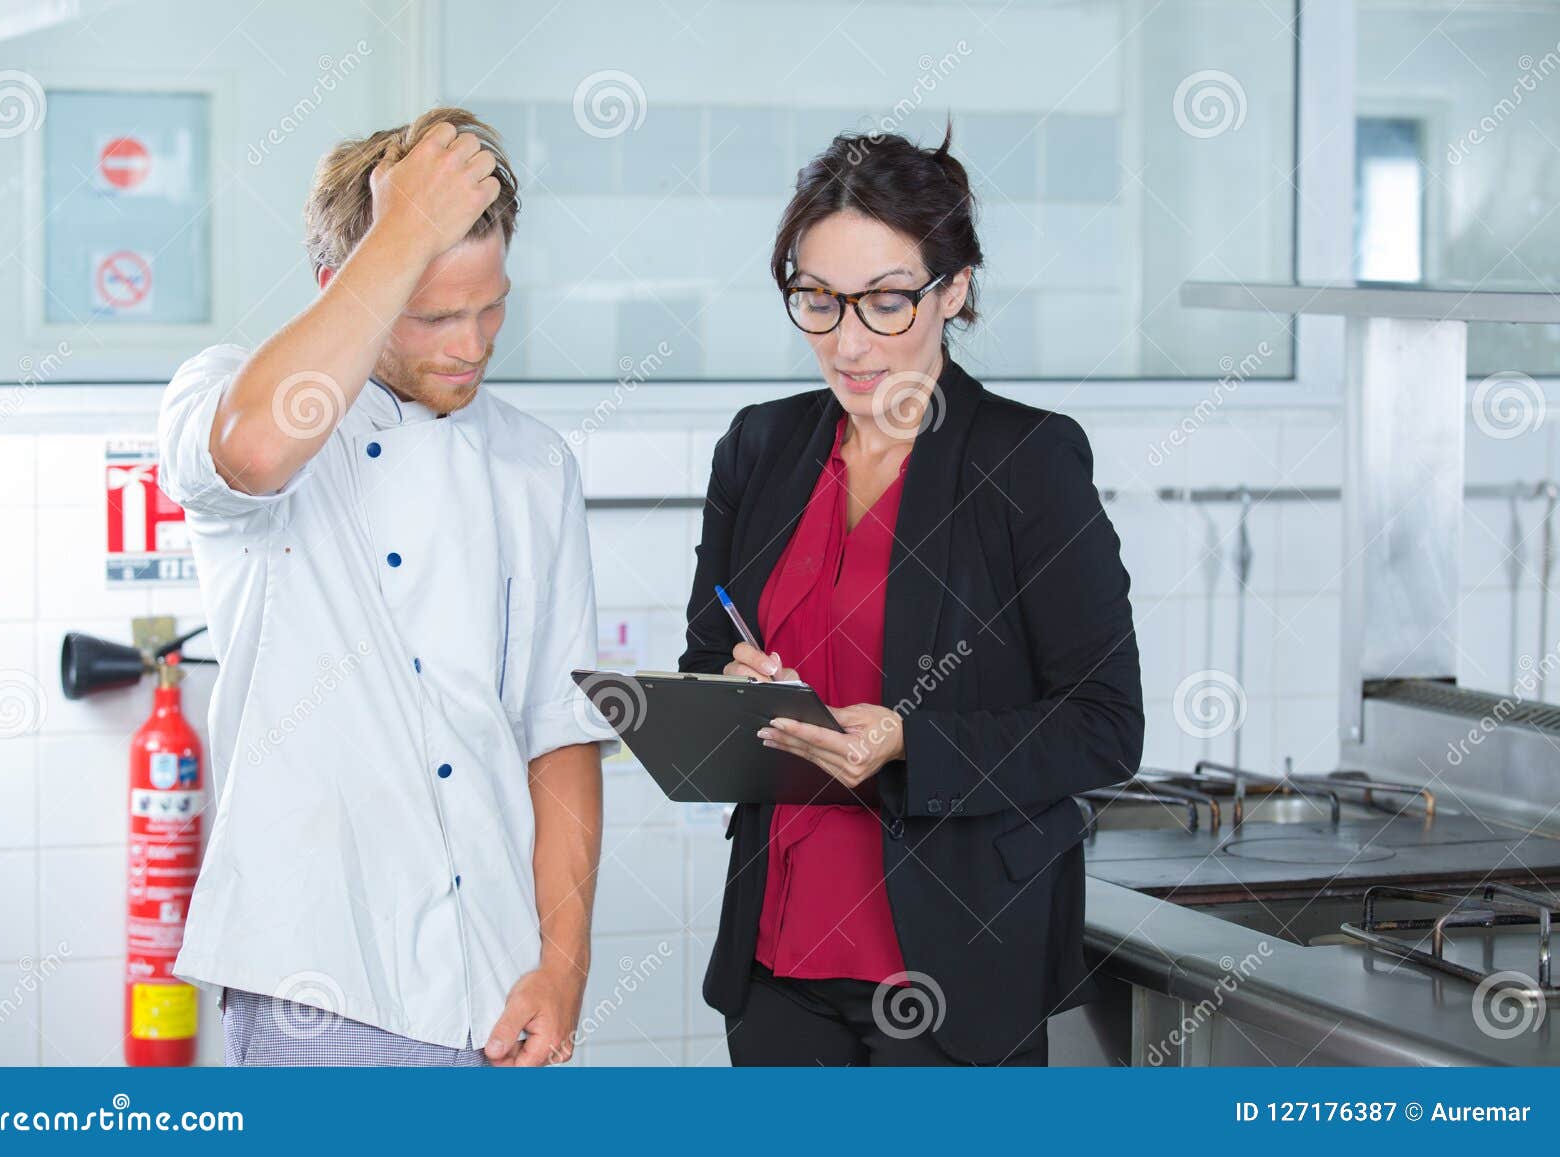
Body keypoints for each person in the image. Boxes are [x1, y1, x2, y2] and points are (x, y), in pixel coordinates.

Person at [156, 107, 615, 1066]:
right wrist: (400, 229)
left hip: (496, 984)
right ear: (346, 284)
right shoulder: (236, 394)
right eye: (435, 312)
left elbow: (558, 731)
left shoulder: (535, 462)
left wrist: (561, 967)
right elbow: (251, 449)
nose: (473, 343)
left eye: (491, 306)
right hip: (319, 986)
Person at [679, 125, 1144, 1066]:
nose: (848, 341)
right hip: (779, 956)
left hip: (952, 966)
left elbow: (1105, 723)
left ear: (955, 289)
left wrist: (910, 742)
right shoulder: (758, 449)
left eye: (888, 302)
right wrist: (735, 688)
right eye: (817, 300)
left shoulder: (1028, 460)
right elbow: (703, 661)